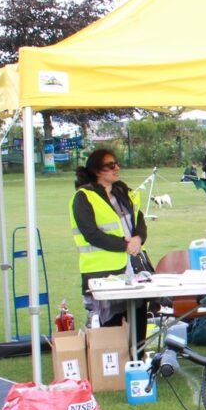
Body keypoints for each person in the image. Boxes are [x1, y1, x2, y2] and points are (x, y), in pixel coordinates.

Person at [70, 147, 148, 345]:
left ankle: (138, 359)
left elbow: (139, 219)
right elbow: (91, 234)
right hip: (102, 272)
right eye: (110, 165)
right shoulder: (84, 197)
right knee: (110, 329)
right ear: (97, 170)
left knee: (138, 317)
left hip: (132, 268)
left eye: (116, 164)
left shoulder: (123, 192)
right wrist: (125, 245)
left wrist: (138, 238)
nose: (117, 168)